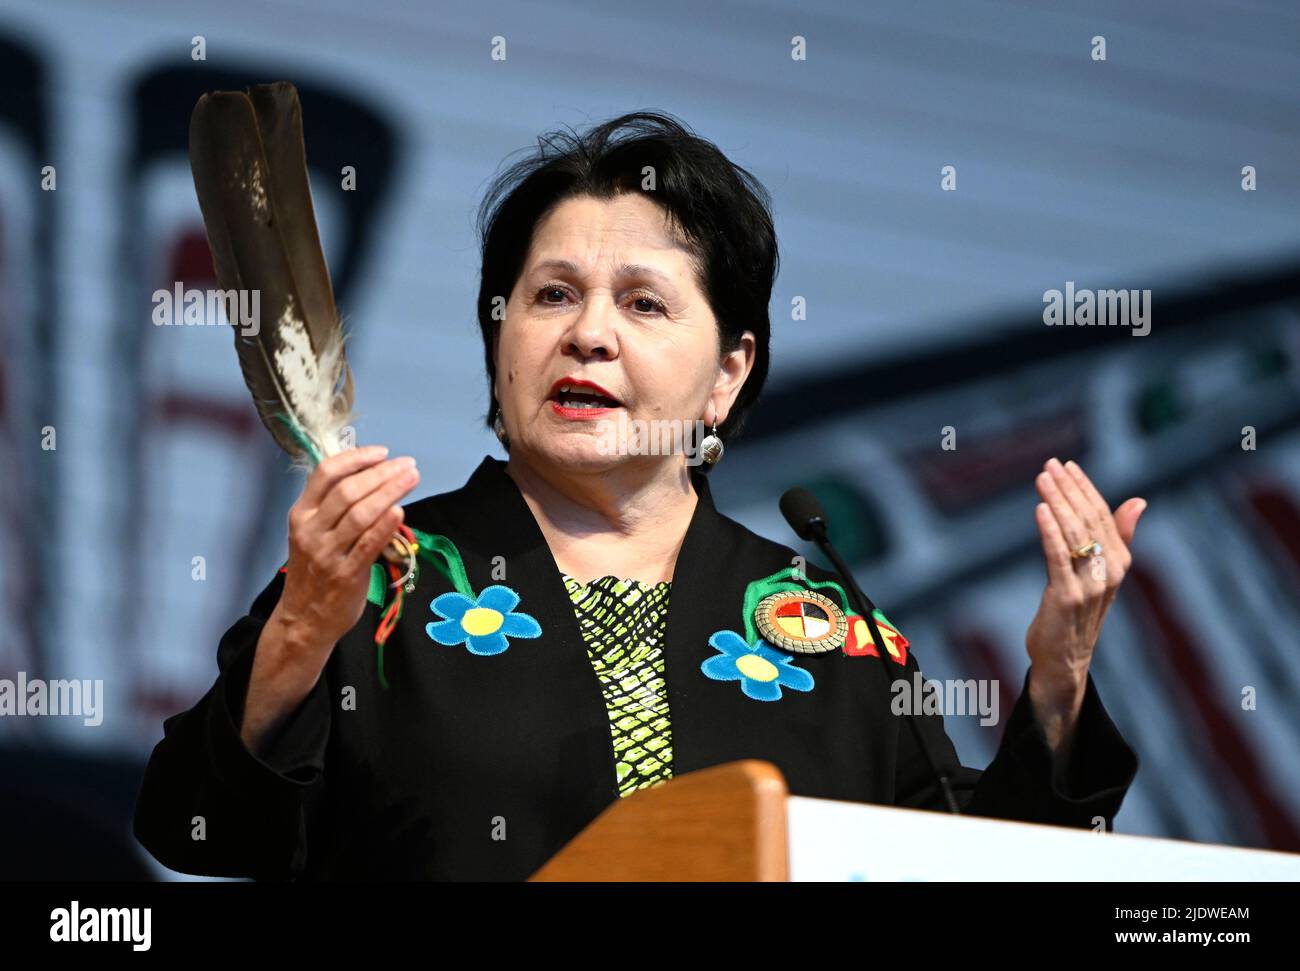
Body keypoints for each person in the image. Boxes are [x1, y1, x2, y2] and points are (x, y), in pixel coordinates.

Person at [133, 111, 1141, 881]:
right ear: (499, 340)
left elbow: (981, 878)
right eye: (551, 293)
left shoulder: (829, 630)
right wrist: (305, 629)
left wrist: (1057, 679)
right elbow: (193, 825)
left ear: (728, 372)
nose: (588, 334)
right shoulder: (378, 581)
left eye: (644, 302)